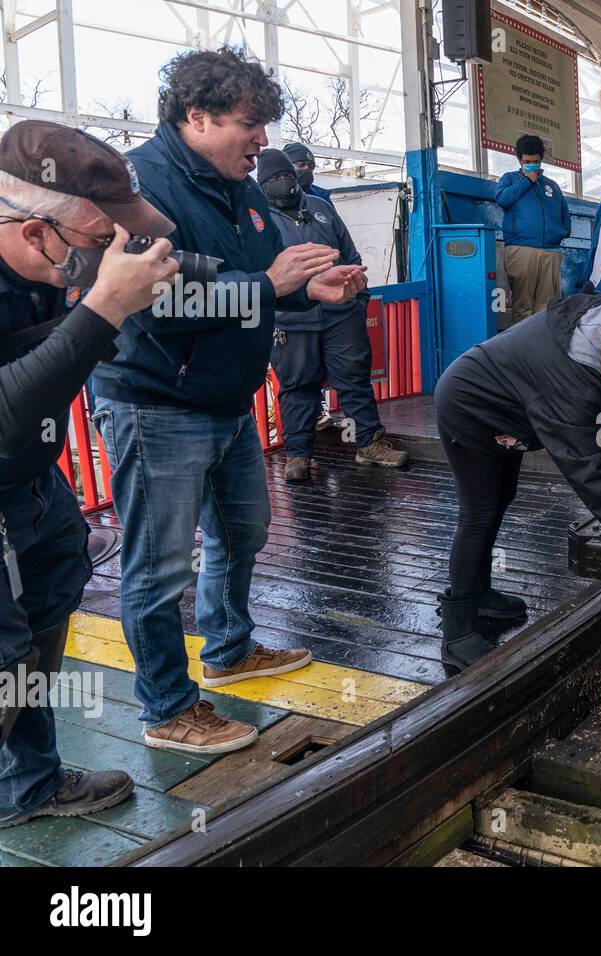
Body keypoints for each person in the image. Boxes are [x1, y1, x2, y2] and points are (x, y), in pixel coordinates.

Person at [92, 47, 367, 755]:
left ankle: (228, 648)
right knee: (157, 567)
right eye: (250, 124)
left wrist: (309, 289)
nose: (263, 141)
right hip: (156, 403)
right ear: (198, 116)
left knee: (241, 533)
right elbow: (151, 301)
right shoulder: (138, 188)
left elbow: (250, 276)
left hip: (227, 401)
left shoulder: (239, 187)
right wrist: (272, 286)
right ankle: (166, 707)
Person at [0, 122, 179, 828]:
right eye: (98, 239)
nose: (113, 253)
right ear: (31, 228)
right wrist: (103, 306)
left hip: (27, 485)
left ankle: (29, 785)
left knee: (42, 626)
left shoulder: (39, 268)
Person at [432, 270, 601, 671]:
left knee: (500, 500)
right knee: (479, 512)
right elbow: (585, 466)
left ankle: (478, 593)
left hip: (508, 407)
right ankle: (458, 631)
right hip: (470, 408)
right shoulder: (573, 378)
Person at [257, 148, 408, 481]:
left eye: (288, 175)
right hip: (290, 322)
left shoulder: (321, 208)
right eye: (274, 179)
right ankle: (297, 455)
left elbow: (351, 254)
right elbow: (259, 277)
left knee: (354, 378)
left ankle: (369, 443)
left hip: (340, 314)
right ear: (261, 185)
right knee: (298, 387)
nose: (284, 182)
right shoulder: (257, 220)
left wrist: (357, 299)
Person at [495, 134, 571, 326]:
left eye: (535, 162)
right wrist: (527, 181)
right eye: (527, 162)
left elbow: (564, 213)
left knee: (546, 309)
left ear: (541, 159)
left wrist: (560, 232)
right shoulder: (510, 179)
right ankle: (521, 353)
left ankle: (540, 352)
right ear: (519, 160)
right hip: (521, 250)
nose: (532, 165)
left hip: (550, 252)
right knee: (522, 308)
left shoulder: (551, 186)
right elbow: (502, 199)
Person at [282, 141, 335, 208]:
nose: (306, 168)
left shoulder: (322, 197)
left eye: (310, 166)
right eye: (301, 165)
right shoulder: (273, 195)